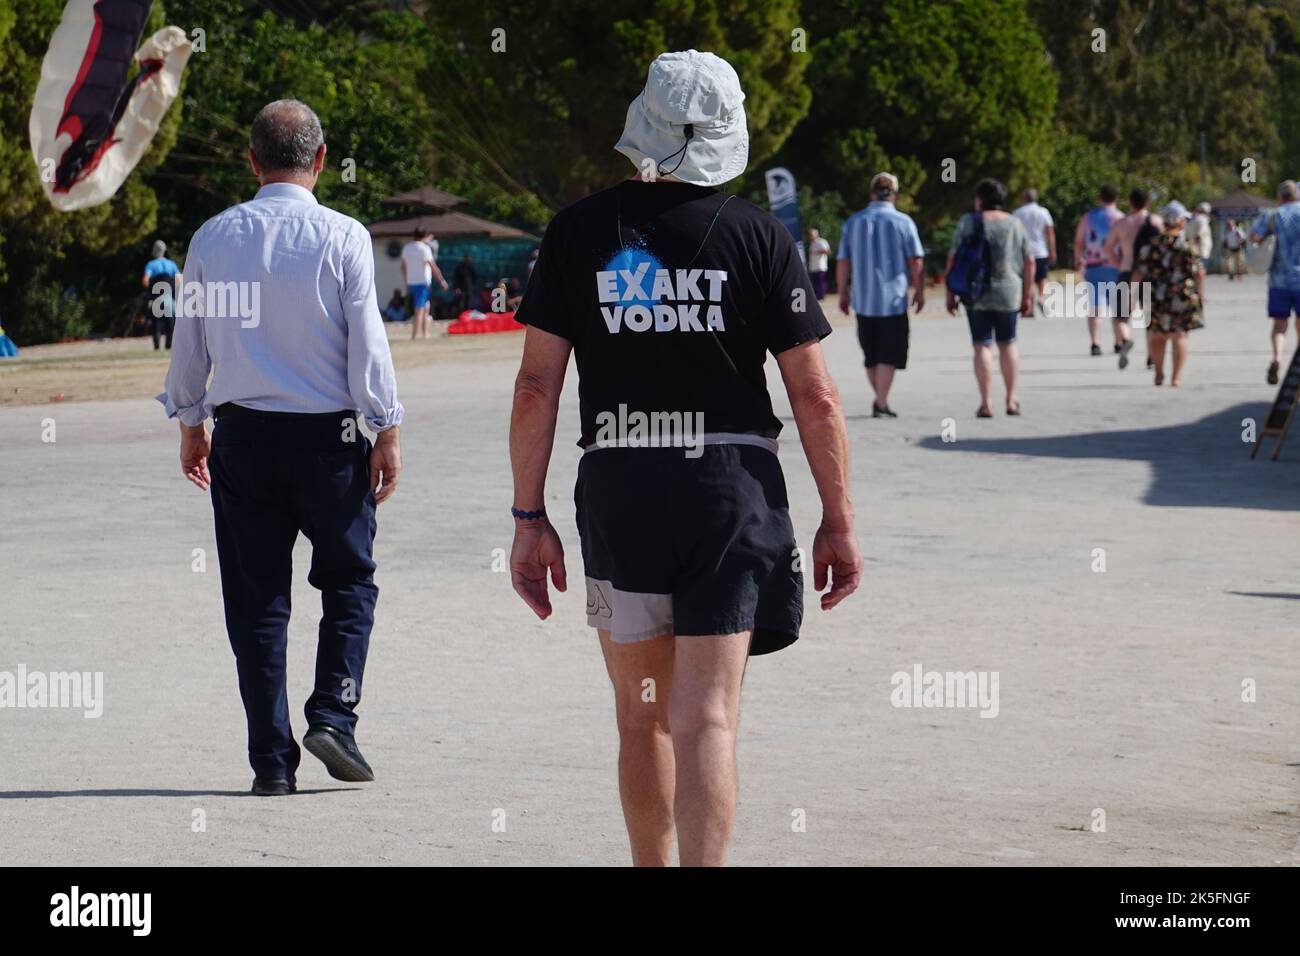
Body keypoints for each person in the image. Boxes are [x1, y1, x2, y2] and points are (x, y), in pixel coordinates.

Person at [508, 49, 861, 867]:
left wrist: (530, 519)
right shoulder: (758, 236)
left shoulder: (576, 233)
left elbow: (536, 388)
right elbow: (817, 396)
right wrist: (837, 519)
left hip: (621, 479)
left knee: (642, 715)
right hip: (728, 485)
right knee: (708, 719)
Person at [159, 100, 404, 796]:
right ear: (321, 159)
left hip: (243, 439)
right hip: (330, 442)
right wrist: (385, 428)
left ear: (252, 160)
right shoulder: (344, 236)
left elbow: (191, 341)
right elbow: (368, 345)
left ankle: (272, 762)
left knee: (257, 605)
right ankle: (334, 711)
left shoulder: (212, 237)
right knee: (350, 581)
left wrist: (190, 424)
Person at [836, 171, 925, 417]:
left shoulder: (853, 222)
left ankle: (880, 399)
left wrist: (843, 292)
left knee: (871, 353)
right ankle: (881, 400)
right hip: (893, 300)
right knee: (889, 352)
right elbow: (915, 261)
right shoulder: (904, 222)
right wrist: (919, 290)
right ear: (895, 195)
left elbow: (843, 261)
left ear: (870, 193)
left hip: (863, 300)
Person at [945, 178, 1033, 416]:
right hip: (1009, 291)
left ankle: (986, 402)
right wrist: (1028, 294)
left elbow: (953, 258)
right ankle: (1011, 399)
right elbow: (1029, 260)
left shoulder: (968, 222)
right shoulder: (1015, 223)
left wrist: (949, 292)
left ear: (979, 199)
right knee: (1008, 343)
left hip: (976, 292)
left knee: (982, 345)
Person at [1131, 201, 1204, 386]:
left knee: (1157, 336)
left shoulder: (1151, 245)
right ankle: (1176, 377)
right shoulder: (1187, 246)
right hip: (1182, 296)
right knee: (1180, 335)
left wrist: (1130, 293)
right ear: (1180, 222)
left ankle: (1159, 373)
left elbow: (1139, 271)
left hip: (1156, 296)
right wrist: (1201, 295)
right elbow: (1198, 273)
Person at [1102, 189, 1162, 370]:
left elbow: (1108, 248)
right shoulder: (1156, 221)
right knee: (1149, 316)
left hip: (1127, 270)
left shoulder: (1121, 223)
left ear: (1130, 203)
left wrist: (1119, 262)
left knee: (1121, 315)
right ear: (1147, 203)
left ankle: (1126, 339)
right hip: (1149, 273)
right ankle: (1151, 355)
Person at [1251, 181, 1300, 385]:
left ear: (1279, 197)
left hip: (1278, 280)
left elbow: (1254, 237)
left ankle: (1278, 358)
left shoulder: (1271, 215)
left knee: (1280, 324)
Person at [1073, 184, 1124, 355]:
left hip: (1093, 265)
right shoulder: (1121, 218)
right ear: (1116, 198)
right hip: (1116, 266)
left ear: (1100, 198)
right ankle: (1119, 341)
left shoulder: (1089, 217)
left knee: (1095, 307)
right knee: (1118, 307)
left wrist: (1079, 259)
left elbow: (1079, 241)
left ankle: (1095, 343)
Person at [1012, 188, 1055, 316]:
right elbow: (1049, 233)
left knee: (1027, 279)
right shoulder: (1043, 212)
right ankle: (1042, 297)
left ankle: (1029, 307)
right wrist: (1052, 250)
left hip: (1023, 251)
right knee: (1042, 278)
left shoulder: (1017, 213)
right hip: (1041, 250)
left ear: (1024, 198)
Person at [401, 228, 447, 340]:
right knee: (419, 309)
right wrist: (441, 280)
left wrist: (406, 282)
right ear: (424, 236)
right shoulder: (424, 249)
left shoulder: (407, 248)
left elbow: (403, 266)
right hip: (422, 282)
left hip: (412, 281)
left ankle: (425, 333)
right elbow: (433, 266)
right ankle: (414, 335)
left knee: (426, 306)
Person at [142, 239, 181, 350]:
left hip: (156, 298)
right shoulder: (171, 264)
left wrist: (151, 288)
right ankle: (169, 346)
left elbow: (145, 281)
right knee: (171, 323)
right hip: (169, 298)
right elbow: (179, 279)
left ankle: (157, 347)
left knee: (156, 324)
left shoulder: (151, 265)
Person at [1185, 201, 1214, 271]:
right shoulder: (1203, 220)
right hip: (1201, 250)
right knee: (1200, 270)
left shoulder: (1193, 219)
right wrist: (1194, 243)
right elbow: (1199, 235)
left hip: (1194, 249)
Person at [807, 227, 831, 300]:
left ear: (816, 235)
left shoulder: (821, 242)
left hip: (820, 266)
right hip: (813, 267)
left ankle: (822, 296)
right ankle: (817, 296)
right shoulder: (812, 243)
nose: (810, 236)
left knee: (821, 282)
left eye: (812, 235)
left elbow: (827, 251)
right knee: (815, 283)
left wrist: (817, 252)